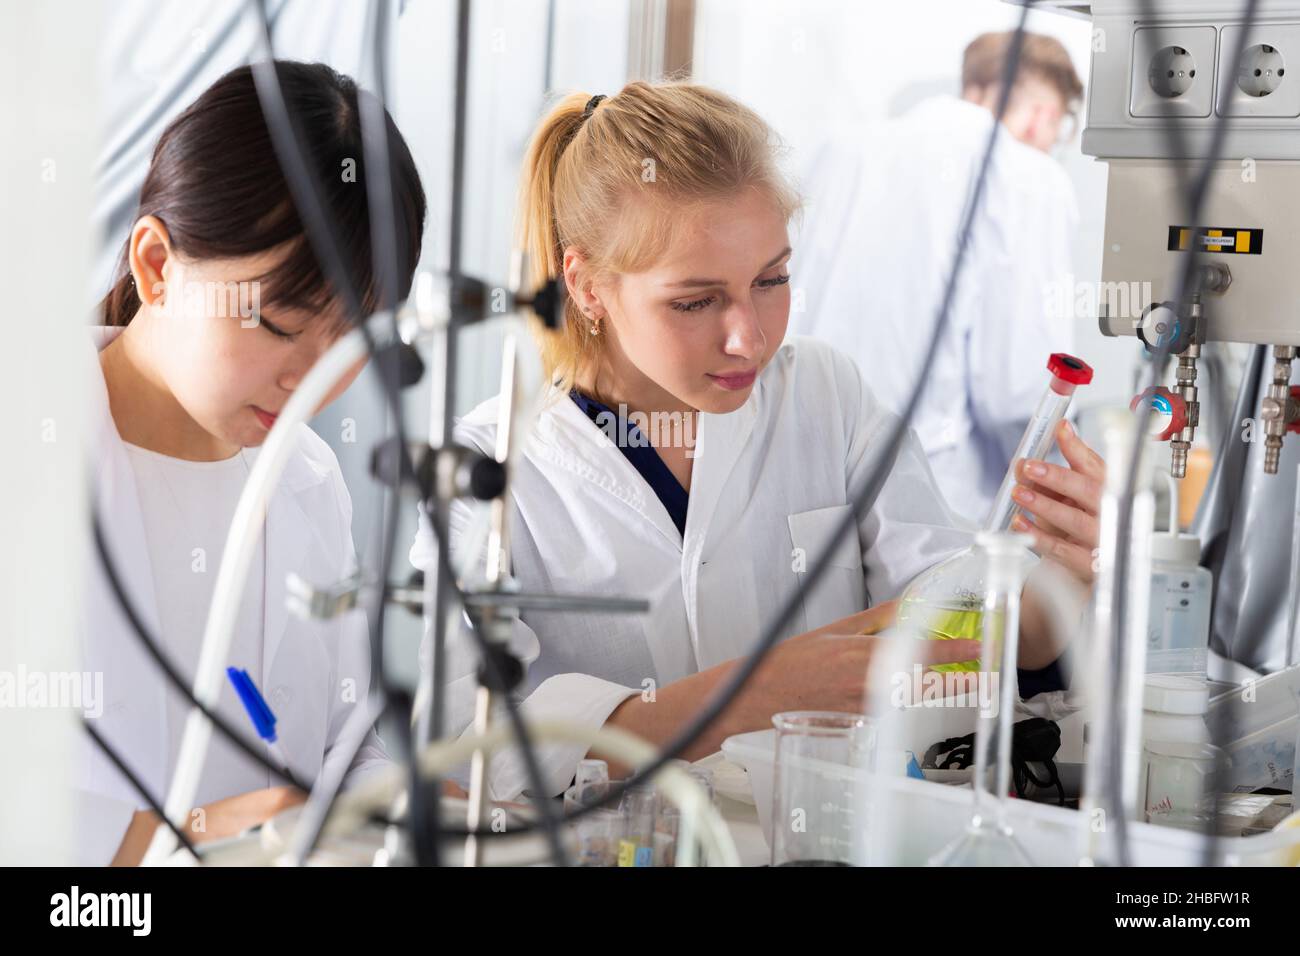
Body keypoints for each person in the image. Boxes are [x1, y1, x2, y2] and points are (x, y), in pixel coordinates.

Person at [409, 82, 1105, 802]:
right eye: (695, 301)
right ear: (585, 285)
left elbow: (960, 639)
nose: (750, 336)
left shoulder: (827, 398)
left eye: (771, 279)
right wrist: (752, 693)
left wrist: (1067, 579)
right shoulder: (489, 469)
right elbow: (470, 746)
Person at [82, 61, 426, 865]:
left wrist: (394, 795)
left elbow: (342, 744)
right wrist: (200, 831)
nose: (314, 379)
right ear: (158, 266)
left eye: (356, 341)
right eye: (277, 323)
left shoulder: (307, 480)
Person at [792, 31, 1085, 524]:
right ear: (1045, 117)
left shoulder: (843, 150)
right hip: (931, 501)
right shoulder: (1029, 176)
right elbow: (1018, 391)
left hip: (806, 483)